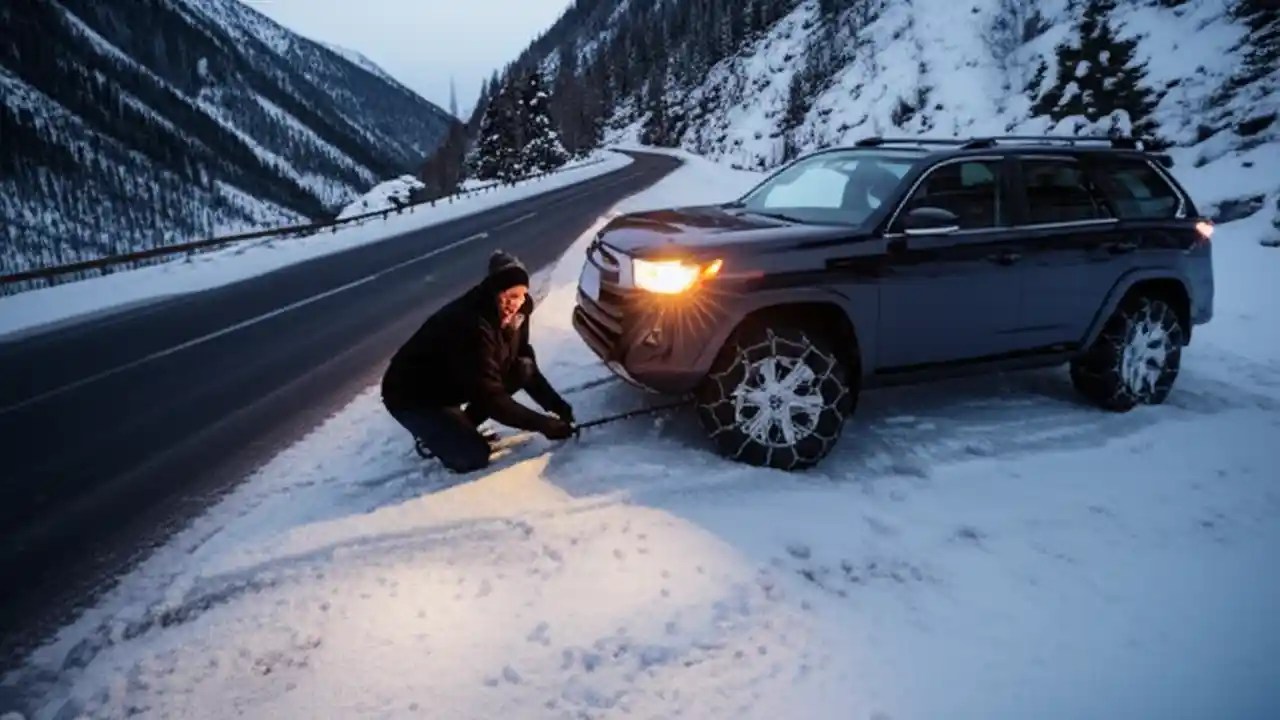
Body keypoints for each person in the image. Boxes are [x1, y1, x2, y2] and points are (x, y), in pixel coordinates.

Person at [380, 250, 576, 472]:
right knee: (473, 457)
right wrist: (545, 425)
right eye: (509, 296)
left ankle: (459, 426)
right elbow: (491, 398)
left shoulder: (518, 314)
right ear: (494, 294)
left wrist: (557, 406)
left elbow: (524, 362)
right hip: (415, 396)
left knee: (522, 367)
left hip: (459, 381)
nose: (515, 303)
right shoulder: (471, 325)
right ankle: (438, 436)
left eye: (521, 295)